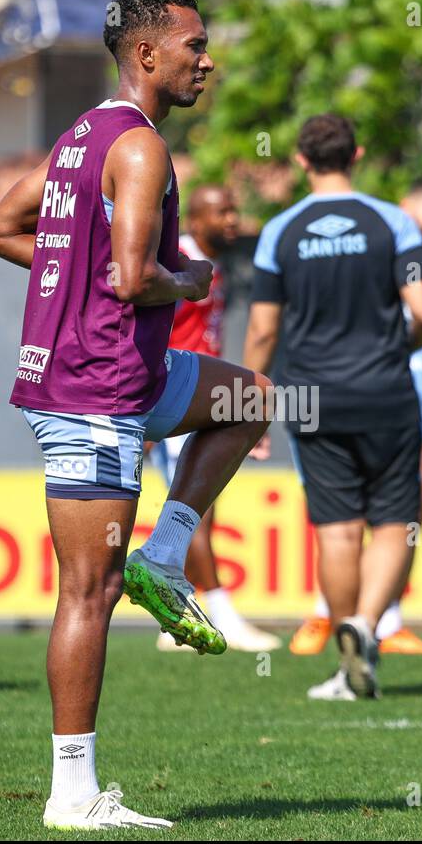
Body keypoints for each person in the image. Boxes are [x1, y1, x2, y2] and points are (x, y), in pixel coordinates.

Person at [0, 0, 270, 829]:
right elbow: (135, 279)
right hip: (92, 392)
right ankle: (72, 795)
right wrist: (193, 278)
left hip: (129, 376)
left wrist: (78, 268)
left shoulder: (82, 135)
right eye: (195, 46)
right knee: (87, 593)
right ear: (147, 54)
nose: (206, 60)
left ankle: (168, 556)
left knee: (249, 395)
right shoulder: (138, 149)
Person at [243, 114, 422, 701]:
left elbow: (261, 329)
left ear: (302, 161)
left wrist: (254, 403)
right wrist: (397, 349)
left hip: (309, 396)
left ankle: (345, 645)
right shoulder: (394, 223)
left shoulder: (280, 231)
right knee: (396, 522)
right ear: (357, 153)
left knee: (336, 530)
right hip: (386, 392)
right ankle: (366, 627)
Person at [287, 178, 422, 657]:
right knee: (342, 516)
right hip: (372, 397)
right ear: (405, 208)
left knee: (405, 516)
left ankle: (384, 620)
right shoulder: (373, 253)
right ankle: (327, 612)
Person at [150, 184, 281, 653]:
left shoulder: (209, 263)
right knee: (193, 513)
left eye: (234, 209)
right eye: (222, 211)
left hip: (204, 393)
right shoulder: (177, 258)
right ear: (196, 216)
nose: (232, 219)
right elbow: (154, 324)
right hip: (176, 395)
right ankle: (217, 610)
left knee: (198, 507)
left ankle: (174, 619)